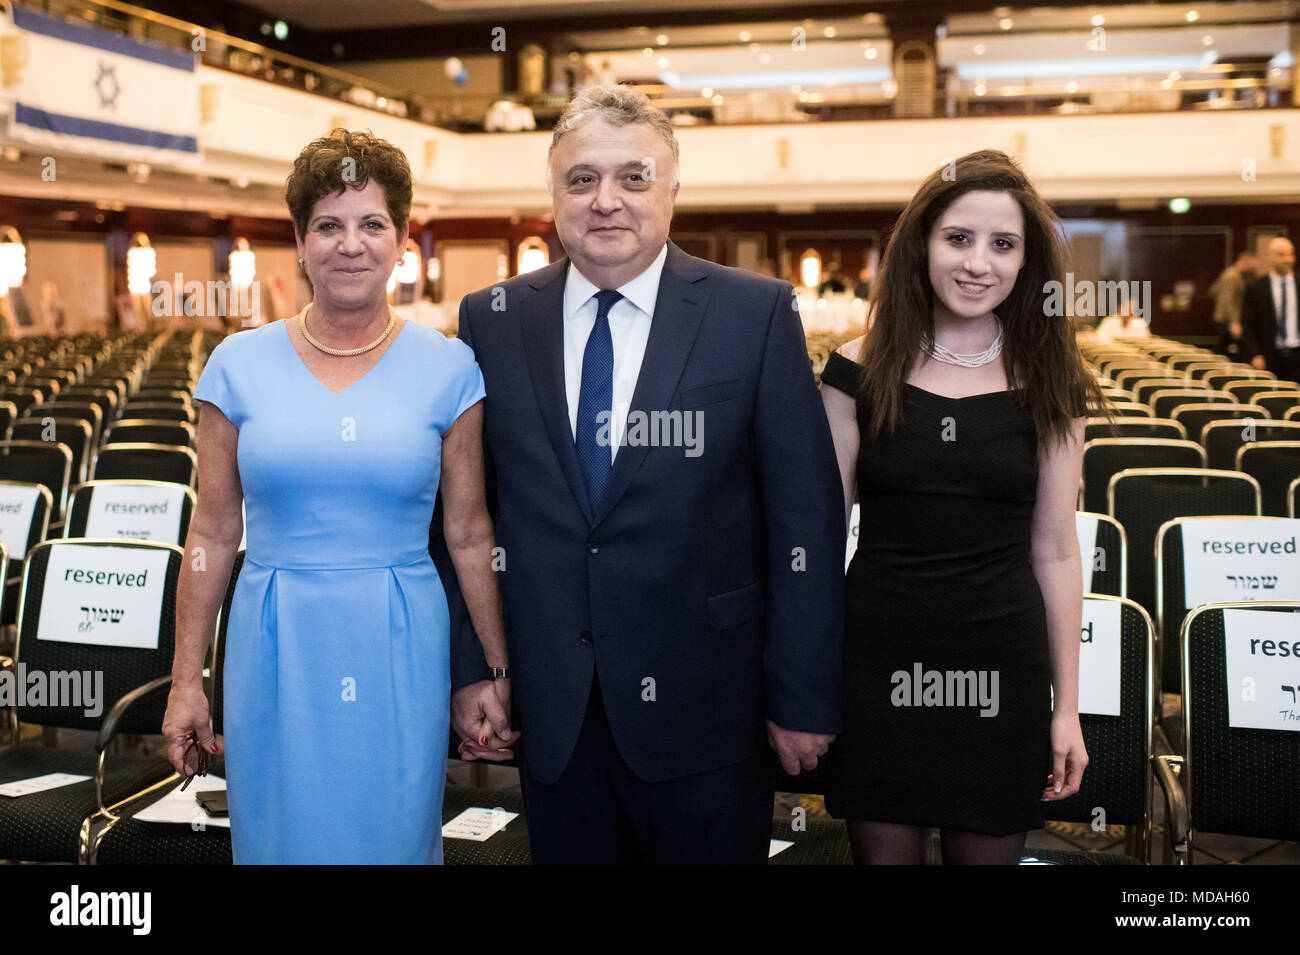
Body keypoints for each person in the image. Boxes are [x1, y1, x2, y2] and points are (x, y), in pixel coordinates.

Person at [446, 84, 844, 864]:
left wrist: (801, 693)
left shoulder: (754, 313)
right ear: (553, 195)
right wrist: (475, 668)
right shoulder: (491, 318)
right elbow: (462, 515)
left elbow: (807, 518)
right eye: (582, 179)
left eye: (634, 177)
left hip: (710, 703)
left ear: (672, 192)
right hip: (551, 704)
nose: (607, 201)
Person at [162, 129, 514, 864]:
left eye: (371, 223)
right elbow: (212, 532)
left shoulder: (451, 368)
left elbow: (470, 535)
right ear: (298, 241)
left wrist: (495, 668)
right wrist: (185, 679)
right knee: (278, 840)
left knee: (392, 836)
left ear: (401, 239)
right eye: (327, 224)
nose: (349, 244)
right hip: (273, 639)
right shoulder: (236, 365)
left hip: (398, 640)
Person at [818, 149, 1099, 864]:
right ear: (922, 245)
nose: (979, 262)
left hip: (1000, 669)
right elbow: (815, 541)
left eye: (1003, 244)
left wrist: (1066, 709)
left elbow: (1058, 550)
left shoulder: (1054, 381)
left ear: (1026, 261)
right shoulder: (856, 367)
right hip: (876, 660)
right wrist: (797, 681)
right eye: (958, 238)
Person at [1240, 237, 1300, 383]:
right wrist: (1254, 354)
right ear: (1271, 257)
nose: (1288, 259)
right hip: (1269, 356)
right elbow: (1247, 324)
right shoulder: (1256, 288)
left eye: (1291, 254)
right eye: (1282, 255)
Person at [1209, 249, 1256, 357]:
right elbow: (1228, 301)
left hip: (1224, 318)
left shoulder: (1231, 273)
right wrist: (1234, 322)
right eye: (1252, 265)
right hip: (1227, 320)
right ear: (1245, 261)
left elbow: (1213, 291)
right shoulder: (1232, 276)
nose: (1253, 269)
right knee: (1225, 353)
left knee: (1223, 351)